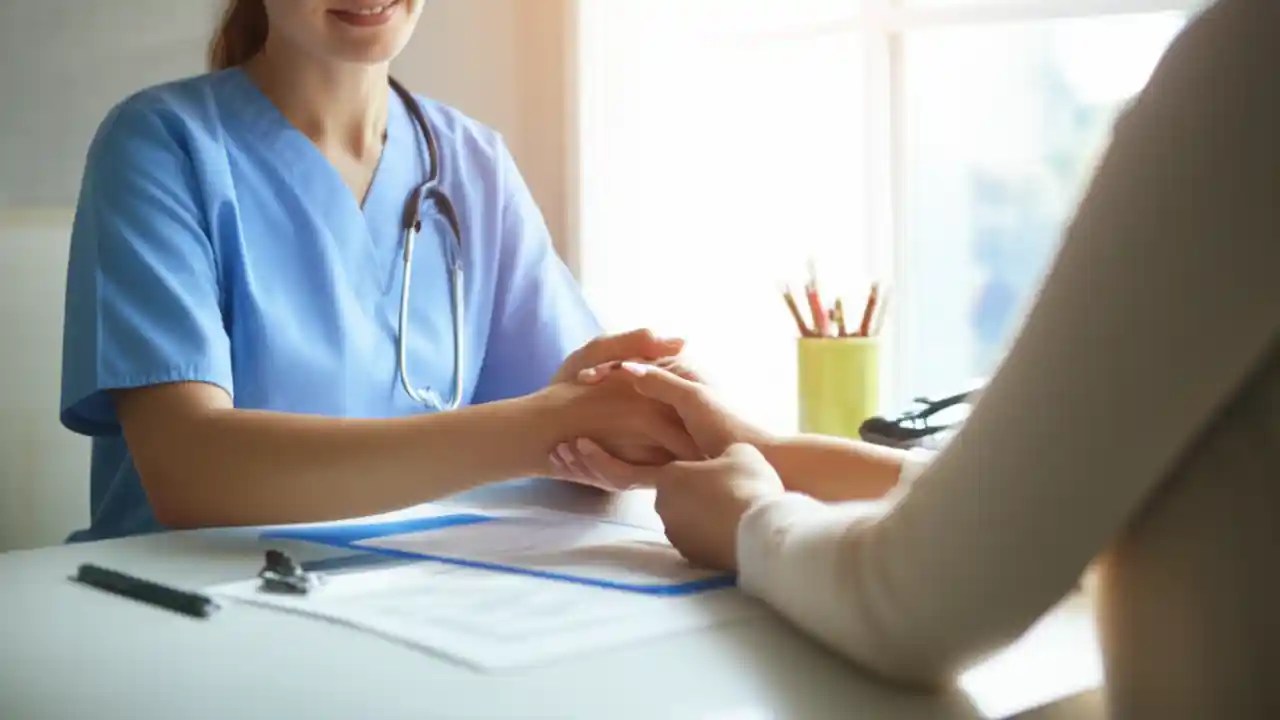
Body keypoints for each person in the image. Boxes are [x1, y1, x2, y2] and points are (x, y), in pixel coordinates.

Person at [554, 0, 1279, 716]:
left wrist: (751, 521)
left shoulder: (1248, 69)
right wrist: (768, 449)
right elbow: (1034, 507)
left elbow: (921, 600)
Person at [58, 0, 697, 542]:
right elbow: (192, 474)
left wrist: (626, 424)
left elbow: (570, 443)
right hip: (183, 617)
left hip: (412, 606)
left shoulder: (473, 163)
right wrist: (543, 426)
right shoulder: (160, 145)